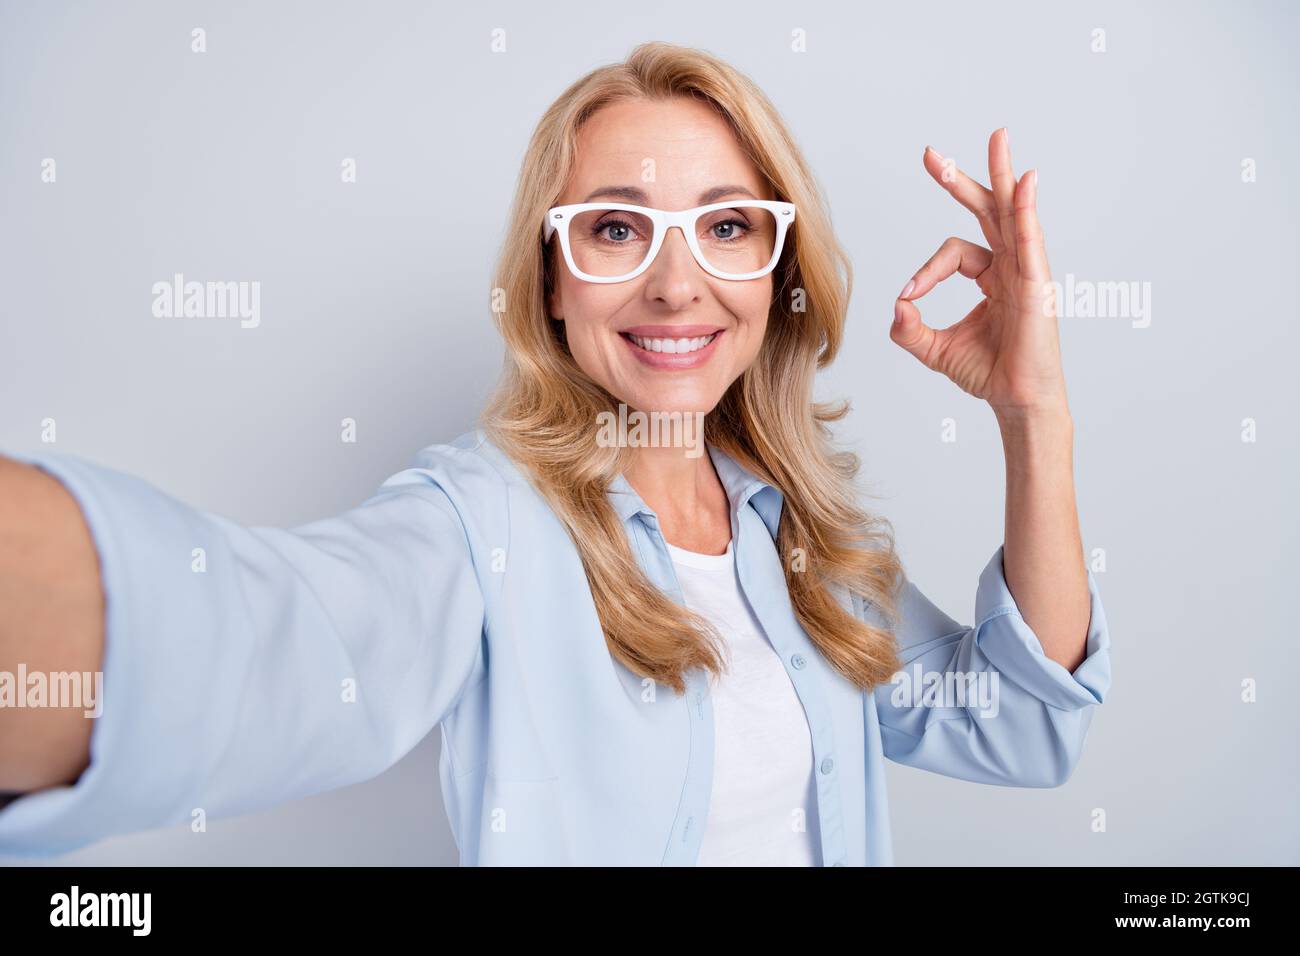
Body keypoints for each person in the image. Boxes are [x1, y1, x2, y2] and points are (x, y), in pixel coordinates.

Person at [0, 41, 1111, 866]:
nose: (676, 284)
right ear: (550, 279)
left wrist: (1034, 408)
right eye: (616, 229)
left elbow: (1018, 720)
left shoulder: (803, 543)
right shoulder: (479, 523)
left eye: (726, 226)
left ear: (779, 278)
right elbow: (273, 641)